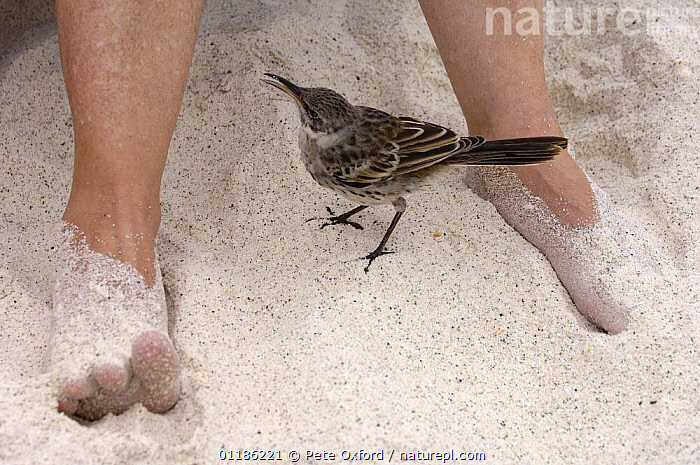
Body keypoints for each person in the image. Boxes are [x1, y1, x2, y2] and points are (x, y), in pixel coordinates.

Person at [51, 0, 630, 420]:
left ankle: (522, 140)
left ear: (322, 126)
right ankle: (111, 217)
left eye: (306, 108)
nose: (299, 106)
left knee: (403, 198)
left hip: (414, 168)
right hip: (420, 143)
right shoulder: (343, 135)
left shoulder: (334, 161)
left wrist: (387, 223)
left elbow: (398, 178)